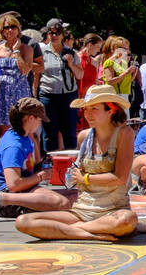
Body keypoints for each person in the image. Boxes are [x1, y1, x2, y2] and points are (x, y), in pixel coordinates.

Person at [15, 85, 138, 241]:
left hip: (113, 210)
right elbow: (75, 177)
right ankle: (89, 234)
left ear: (111, 110)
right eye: (86, 109)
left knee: (127, 220)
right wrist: (76, 178)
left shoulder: (124, 134)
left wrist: (85, 178)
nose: (88, 114)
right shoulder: (84, 137)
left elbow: (119, 178)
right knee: (23, 221)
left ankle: (69, 230)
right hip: (82, 210)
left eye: (94, 109)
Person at [0, 98, 73, 221]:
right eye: (39, 119)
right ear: (30, 118)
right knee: (62, 203)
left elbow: (26, 170)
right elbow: (13, 184)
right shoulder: (14, 146)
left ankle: (37, 208)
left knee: (75, 196)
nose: (40, 123)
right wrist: (40, 176)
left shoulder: (24, 136)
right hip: (9, 193)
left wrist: (40, 166)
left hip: (24, 189)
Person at [38, 19, 79, 151]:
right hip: (48, 94)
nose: (54, 36)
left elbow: (80, 75)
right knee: (49, 132)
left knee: (70, 131)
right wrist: (35, 93)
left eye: (57, 33)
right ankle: (50, 163)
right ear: (48, 34)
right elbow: (37, 74)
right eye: (51, 33)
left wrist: (72, 64)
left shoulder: (71, 52)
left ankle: (71, 161)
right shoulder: (41, 51)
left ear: (63, 34)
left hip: (68, 95)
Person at [0, 14, 34, 141]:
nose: (9, 30)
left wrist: (16, 52)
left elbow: (25, 70)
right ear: (1, 30)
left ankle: (28, 159)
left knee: (23, 127)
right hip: (2, 91)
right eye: (6, 27)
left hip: (19, 90)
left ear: (18, 29)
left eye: (13, 27)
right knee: (3, 129)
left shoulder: (26, 49)